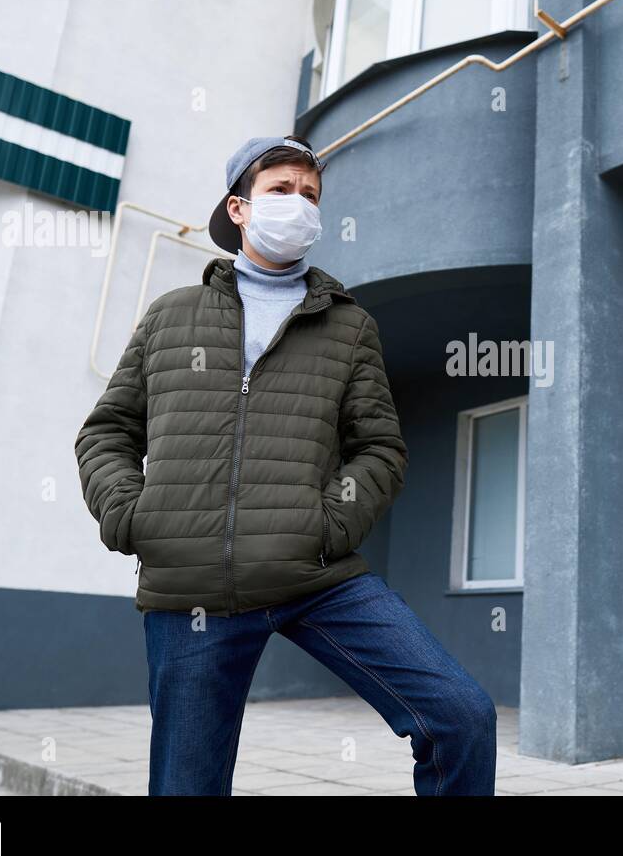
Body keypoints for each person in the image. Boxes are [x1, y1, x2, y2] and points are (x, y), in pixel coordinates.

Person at [74, 135, 497, 796]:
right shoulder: (169, 317)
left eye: (311, 196)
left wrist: (327, 524)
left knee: (462, 714)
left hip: (316, 575)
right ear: (239, 208)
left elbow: (379, 447)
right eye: (281, 191)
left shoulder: (347, 325)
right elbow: (107, 433)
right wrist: (133, 517)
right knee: (186, 786)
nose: (298, 205)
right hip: (190, 592)